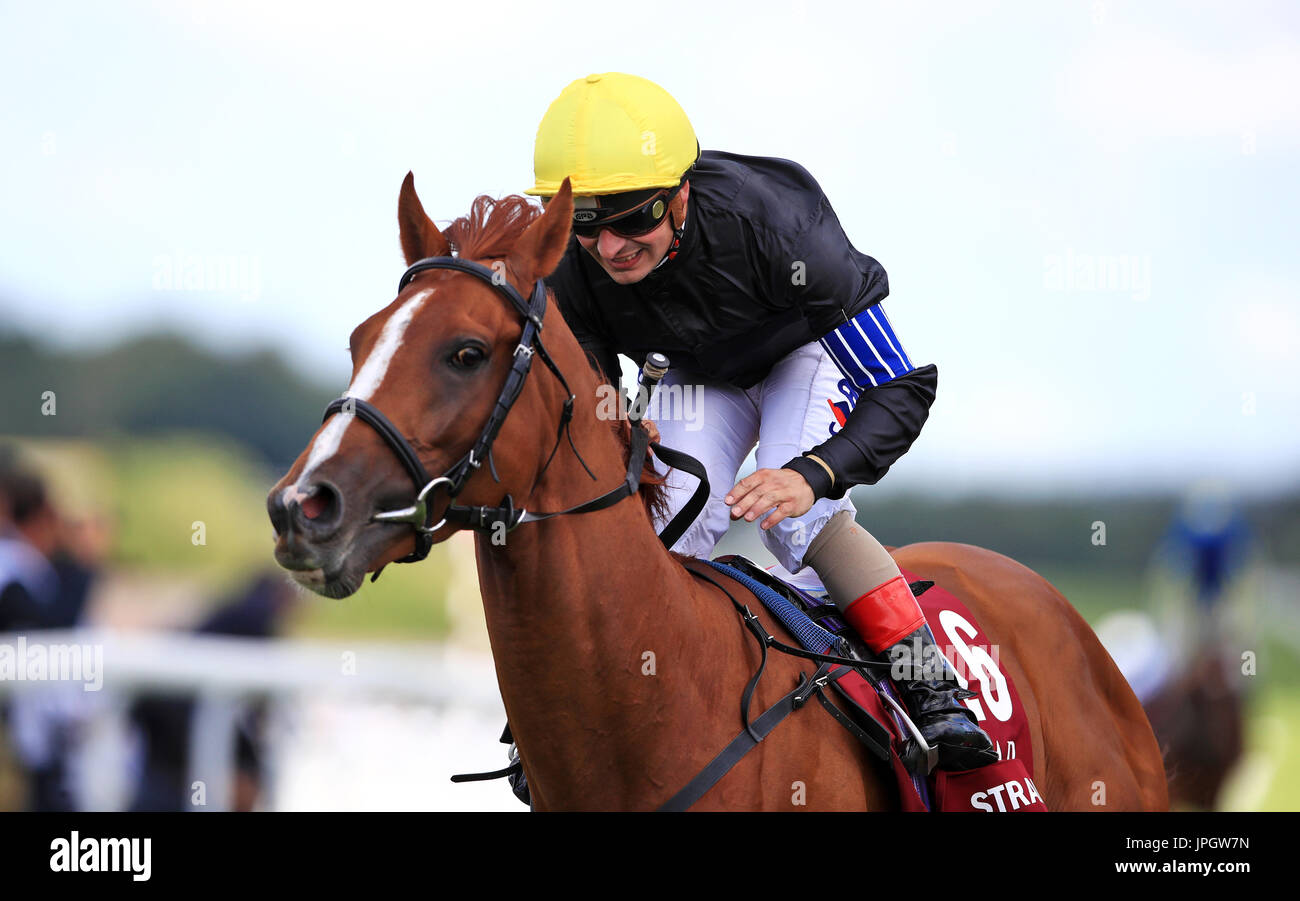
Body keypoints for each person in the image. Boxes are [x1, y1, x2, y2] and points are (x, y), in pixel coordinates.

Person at [525, 73, 996, 770]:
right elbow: (599, 391)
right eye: (589, 224)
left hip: (806, 351)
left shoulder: (780, 225)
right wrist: (619, 426)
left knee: (789, 517)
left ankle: (931, 688)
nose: (612, 247)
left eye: (634, 218)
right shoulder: (572, 261)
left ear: (681, 193)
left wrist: (813, 475)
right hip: (699, 372)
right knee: (666, 517)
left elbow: (899, 387)